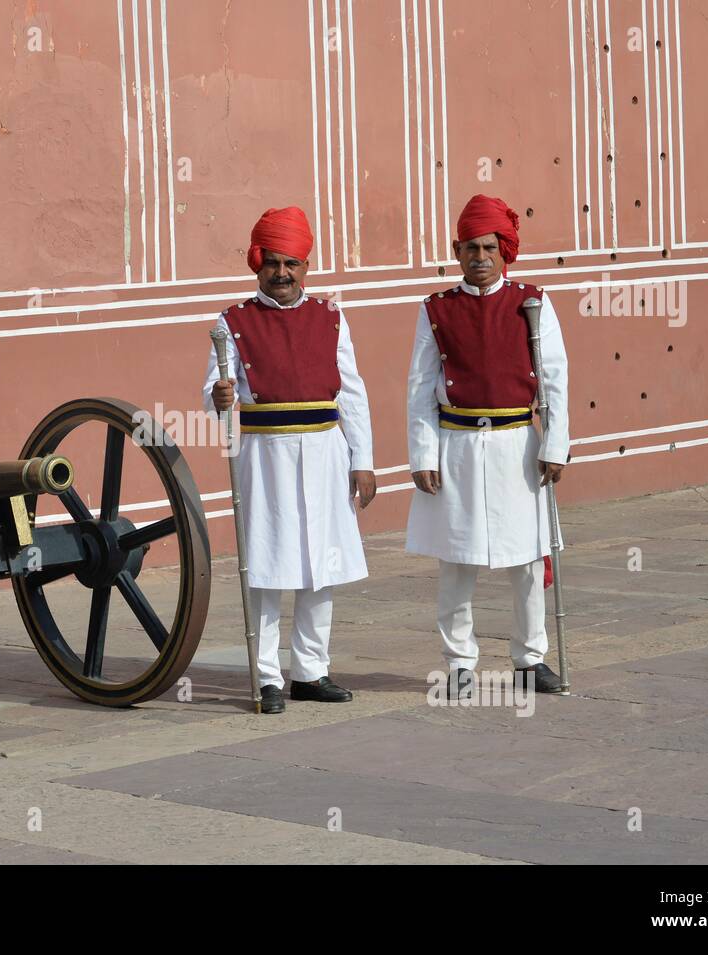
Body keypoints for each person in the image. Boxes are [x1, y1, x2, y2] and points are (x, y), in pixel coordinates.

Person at [203, 206, 376, 714]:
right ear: (258, 263)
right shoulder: (231, 321)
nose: (282, 273)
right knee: (268, 566)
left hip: (325, 452)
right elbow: (214, 386)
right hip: (266, 456)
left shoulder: (330, 317)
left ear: (306, 266)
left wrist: (362, 460)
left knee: (319, 566)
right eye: (273, 262)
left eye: (292, 263)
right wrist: (219, 396)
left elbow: (352, 392)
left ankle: (311, 671)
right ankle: (267, 677)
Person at [404, 194, 569, 698]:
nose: (479, 257)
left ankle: (529, 659)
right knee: (457, 562)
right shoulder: (437, 309)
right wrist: (422, 455)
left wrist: (555, 445)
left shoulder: (531, 302)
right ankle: (458, 663)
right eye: (470, 248)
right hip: (456, 445)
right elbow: (420, 386)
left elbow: (554, 377)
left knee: (525, 560)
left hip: (517, 444)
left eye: (489, 248)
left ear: (505, 251)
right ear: (457, 251)